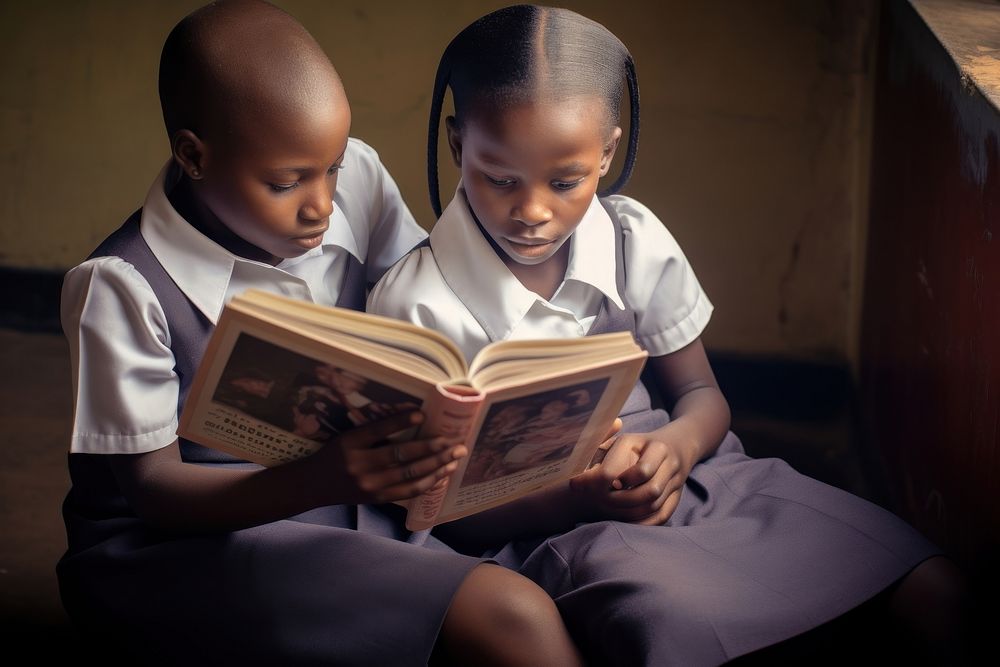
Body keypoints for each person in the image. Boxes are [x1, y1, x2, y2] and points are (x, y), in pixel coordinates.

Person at [368, 5, 970, 665]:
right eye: (499, 177)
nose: (533, 211)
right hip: (550, 527)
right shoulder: (414, 301)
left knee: (927, 584)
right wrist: (574, 493)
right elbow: (437, 509)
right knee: (681, 624)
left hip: (699, 479)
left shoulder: (631, 239)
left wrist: (676, 449)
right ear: (457, 146)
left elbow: (704, 397)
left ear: (608, 150)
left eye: (565, 181)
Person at [57, 2, 587, 665]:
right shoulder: (122, 285)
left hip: (345, 495)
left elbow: (427, 312)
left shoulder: (355, 179)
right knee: (509, 614)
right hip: (179, 546)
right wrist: (323, 480)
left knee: (549, 577)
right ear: (193, 155)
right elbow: (152, 493)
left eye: (331, 167)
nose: (322, 204)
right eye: (286, 182)